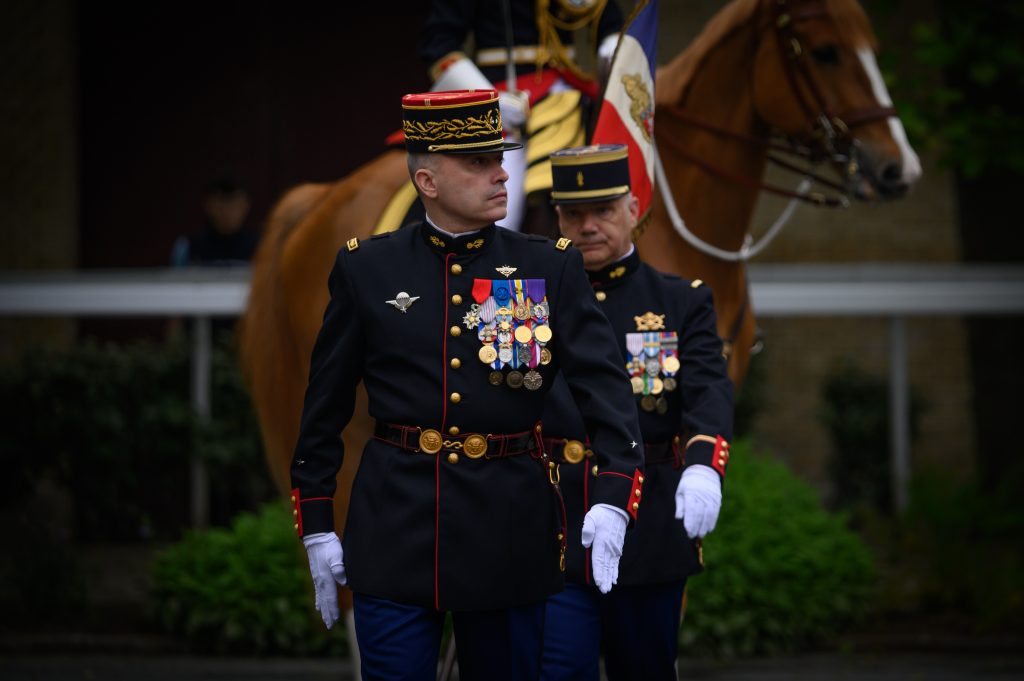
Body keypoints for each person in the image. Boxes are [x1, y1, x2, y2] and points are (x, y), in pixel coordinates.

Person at [290, 91, 645, 681]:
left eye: (499, 159)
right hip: (395, 526)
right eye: (477, 163)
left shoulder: (549, 266)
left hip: (509, 527)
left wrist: (613, 496)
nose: (501, 173)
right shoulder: (366, 268)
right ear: (427, 180)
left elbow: (604, 391)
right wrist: (318, 524)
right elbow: (323, 408)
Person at [539, 145, 734, 681]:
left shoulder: (679, 300)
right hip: (554, 520)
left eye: (603, 210)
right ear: (557, 217)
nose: (588, 226)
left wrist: (703, 465)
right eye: (573, 213)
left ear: (634, 209)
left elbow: (708, 391)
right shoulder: (532, 301)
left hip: (647, 524)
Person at [419, 0, 624, 232]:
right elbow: (438, 45)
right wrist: (486, 100)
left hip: (574, 92)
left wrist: (614, 44)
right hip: (505, 96)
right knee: (499, 212)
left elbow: (608, 21)